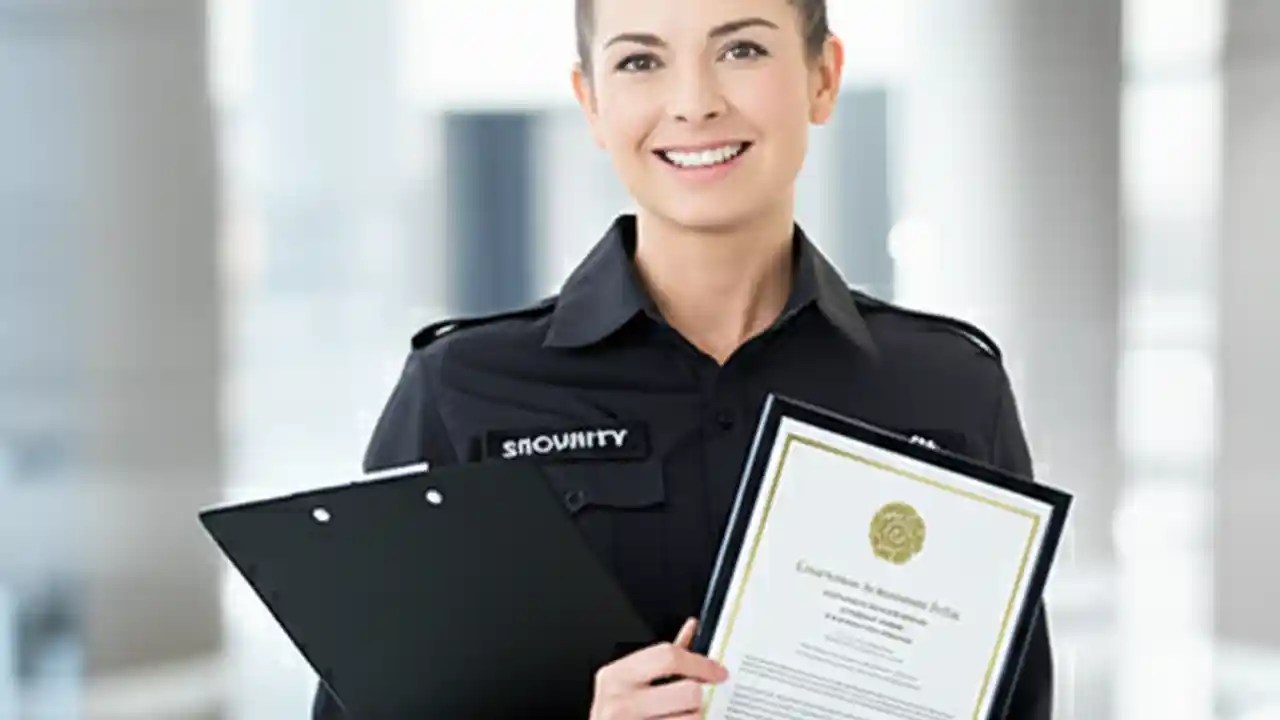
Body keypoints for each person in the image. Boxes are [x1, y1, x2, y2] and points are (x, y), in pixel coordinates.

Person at [312, 0, 1054, 717]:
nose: (694, 102)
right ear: (592, 101)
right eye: (640, 60)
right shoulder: (461, 393)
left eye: (742, 49)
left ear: (823, 78)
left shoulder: (950, 389)